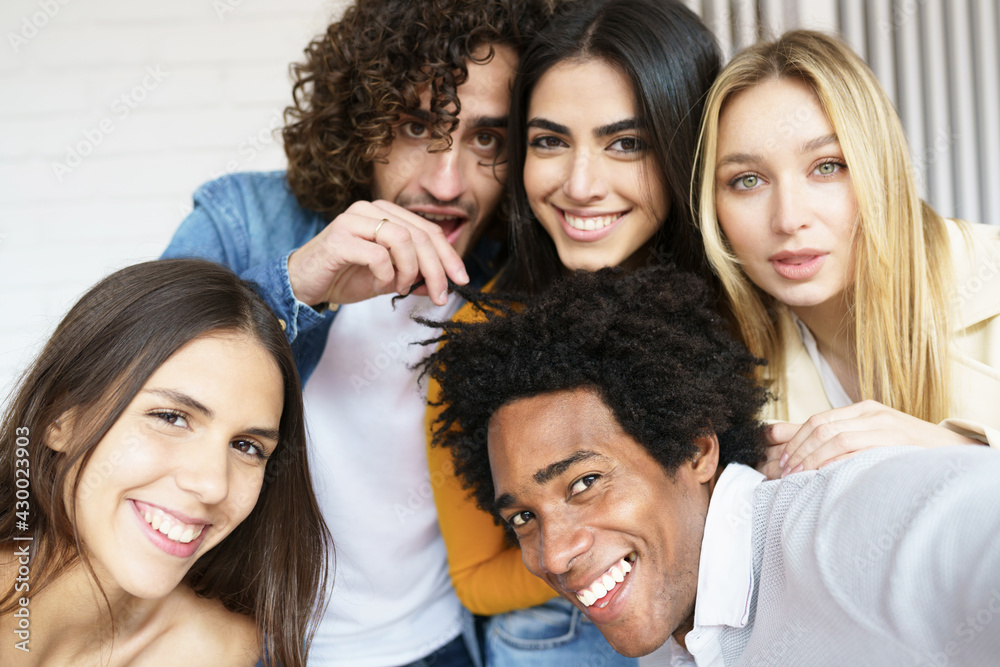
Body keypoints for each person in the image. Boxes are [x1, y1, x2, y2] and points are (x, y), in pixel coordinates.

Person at [161, 1, 553, 663]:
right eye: (415, 125)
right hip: (267, 647)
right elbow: (135, 405)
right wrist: (297, 286)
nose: (447, 181)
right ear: (358, 119)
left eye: (487, 139)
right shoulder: (244, 223)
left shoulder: (516, 264)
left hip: (448, 643)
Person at [421, 264, 1000, 665]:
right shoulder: (668, 618)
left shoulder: (836, 525)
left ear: (695, 449)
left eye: (585, 482)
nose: (551, 554)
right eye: (523, 517)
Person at [422, 0, 721, 663]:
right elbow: (474, 579)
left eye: (626, 143)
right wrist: (607, 570)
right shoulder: (480, 345)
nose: (581, 185)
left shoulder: (744, 293)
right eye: (550, 141)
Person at [693, 30, 1000, 478]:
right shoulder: (723, 376)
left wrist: (953, 451)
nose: (788, 218)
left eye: (827, 167)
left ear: (882, 168)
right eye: (747, 180)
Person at [0, 259, 331, 667]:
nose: (213, 485)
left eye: (246, 446)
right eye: (171, 417)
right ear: (60, 417)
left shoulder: (219, 649)